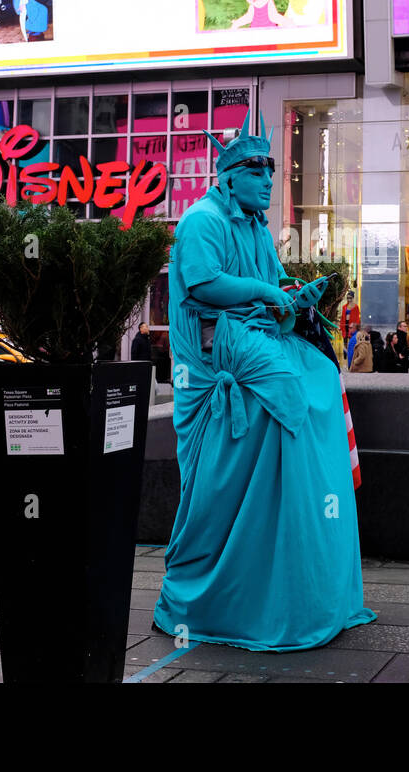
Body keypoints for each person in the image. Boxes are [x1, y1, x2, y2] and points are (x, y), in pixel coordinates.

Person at [153, 119, 375, 650]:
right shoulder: (201, 221)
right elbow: (204, 284)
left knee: (321, 373)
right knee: (290, 392)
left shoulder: (254, 226)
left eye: (271, 169)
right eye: (257, 170)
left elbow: (274, 287)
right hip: (216, 348)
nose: (268, 180)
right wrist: (267, 294)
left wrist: (296, 297)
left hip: (255, 334)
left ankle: (304, 565)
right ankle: (235, 582)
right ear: (229, 177)